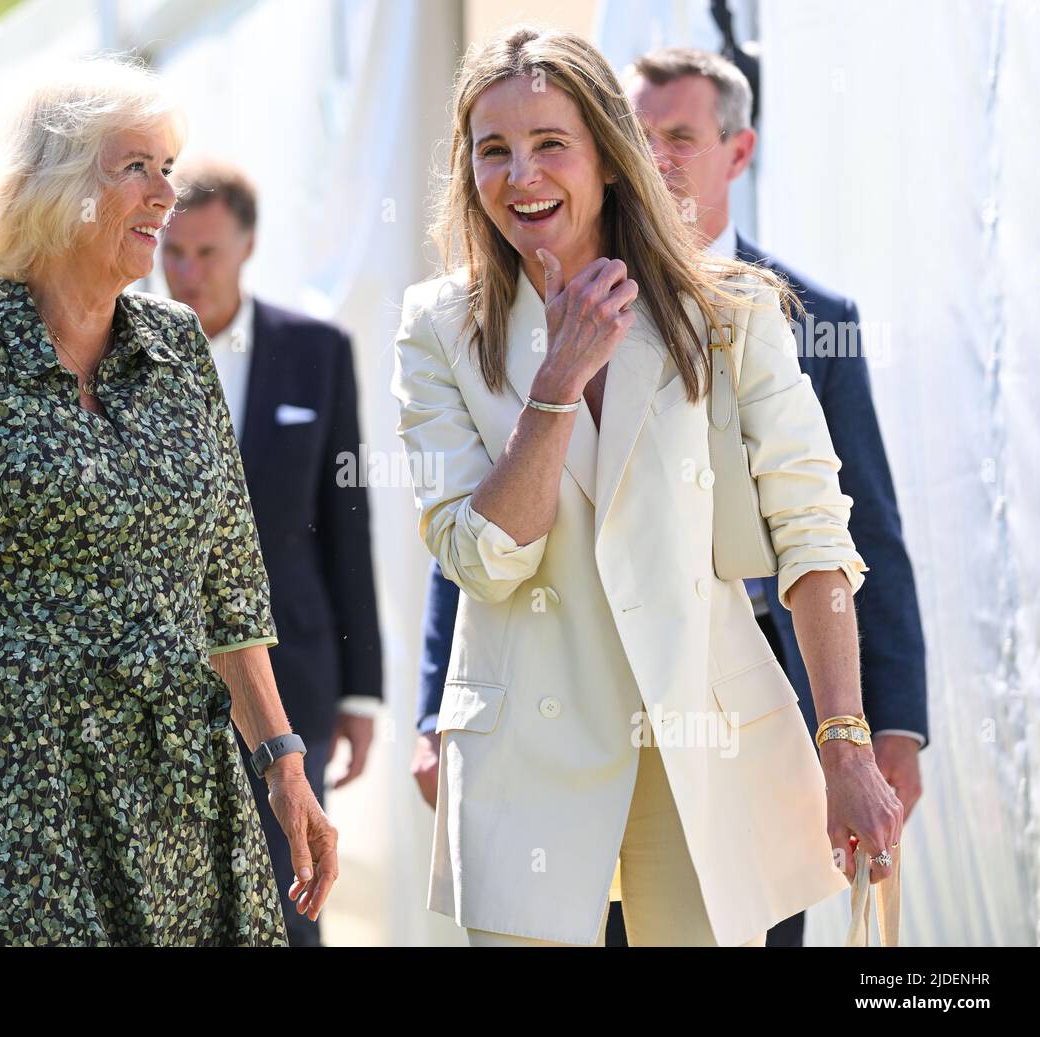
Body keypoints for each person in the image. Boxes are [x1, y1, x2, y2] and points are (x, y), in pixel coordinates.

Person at [391, 26, 900, 947]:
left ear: (611, 159)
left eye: (551, 143)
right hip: (526, 766)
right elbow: (481, 557)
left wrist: (847, 741)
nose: (521, 175)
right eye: (493, 149)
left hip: (705, 748)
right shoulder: (436, 326)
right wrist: (552, 390)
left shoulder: (730, 309)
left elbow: (814, 533)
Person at [0, 56, 337, 946]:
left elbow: (230, 583)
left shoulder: (180, 346)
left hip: (181, 785)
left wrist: (285, 764)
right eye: (135, 167)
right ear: (57, 184)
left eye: (169, 169)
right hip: (11, 790)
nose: (165, 195)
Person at [624, 44, 927, 946]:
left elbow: (863, 523)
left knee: (769, 926)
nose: (658, 157)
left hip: (779, 695)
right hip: (633, 691)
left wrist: (892, 726)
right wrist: (437, 706)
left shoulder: (814, 319)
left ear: (739, 150)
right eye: (639, 136)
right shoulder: (582, 298)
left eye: (680, 135)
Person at [162, 157, 382, 947]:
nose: (187, 273)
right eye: (173, 252)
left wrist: (362, 689)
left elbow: (345, 520)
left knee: (291, 902)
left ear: (247, 245)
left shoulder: (315, 350)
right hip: (157, 683)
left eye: (207, 253)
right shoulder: (118, 350)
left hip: (293, 676)